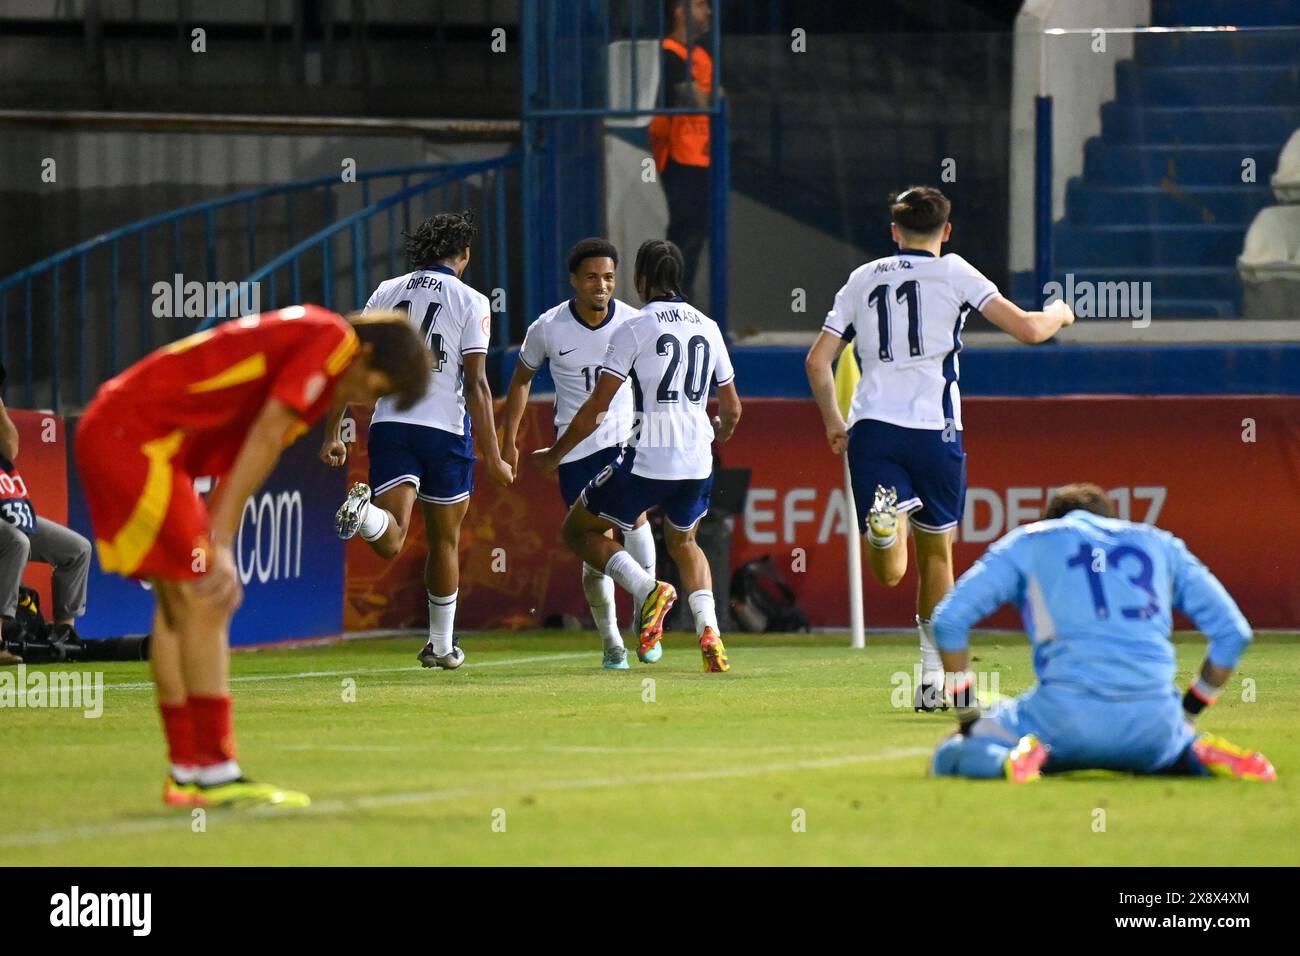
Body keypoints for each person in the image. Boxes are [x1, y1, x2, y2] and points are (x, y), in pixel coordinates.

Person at [76, 305, 430, 808]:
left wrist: (217, 534)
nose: (372, 399)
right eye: (379, 385)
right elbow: (263, 437)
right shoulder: (333, 340)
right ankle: (215, 772)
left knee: (183, 607)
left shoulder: (319, 352)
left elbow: (250, 446)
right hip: (138, 441)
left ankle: (188, 774)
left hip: (134, 437)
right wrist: (219, 541)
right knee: (207, 600)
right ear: (367, 353)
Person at [804, 185, 1075, 711]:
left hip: (873, 429)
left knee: (889, 570)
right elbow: (1028, 330)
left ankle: (885, 533)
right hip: (937, 430)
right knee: (937, 556)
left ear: (893, 232)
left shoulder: (862, 279)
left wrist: (834, 423)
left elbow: (817, 361)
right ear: (946, 231)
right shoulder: (955, 272)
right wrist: (1060, 312)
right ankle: (939, 682)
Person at [929, 483, 1276, 783]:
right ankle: (1192, 752)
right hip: (1154, 727)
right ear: (1109, 517)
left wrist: (968, 716)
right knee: (1171, 745)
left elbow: (948, 621)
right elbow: (1234, 633)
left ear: (1053, 519)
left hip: (1060, 724)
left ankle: (1012, 759)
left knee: (949, 754)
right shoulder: (1162, 545)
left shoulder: (1029, 542)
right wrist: (1188, 711)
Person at [533, 239, 741, 672]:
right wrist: (719, 430)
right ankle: (711, 634)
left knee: (578, 531)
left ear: (640, 280)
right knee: (685, 542)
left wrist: (555, 454)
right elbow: (733, 407)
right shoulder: (708, 325)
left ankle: (648, 588)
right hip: (697, 457)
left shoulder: (633, 328)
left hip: (648, 456)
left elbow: (596, 409)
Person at [326, 211, 514, 671]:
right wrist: (493, 455)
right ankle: (441, 645)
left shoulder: (385, 292)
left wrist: (332, 431)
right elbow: (477, 384)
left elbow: (348, 364)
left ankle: (364, 511)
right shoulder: (471, 300)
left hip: (392, 424)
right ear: (464, 254)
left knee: (390, 536)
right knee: (443, 541)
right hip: (446, 430)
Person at [500, 238, 656, 670]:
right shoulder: (548, 328)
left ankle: (646, 621)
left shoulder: (634, 323)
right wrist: (509, 439)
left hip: (623, 444)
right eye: (591, 277)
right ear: (574, 280)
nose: (601, 286)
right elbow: (520, 381)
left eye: (608, 277)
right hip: (573, 453)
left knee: (637, 520)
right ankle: (612, 642)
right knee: (594, 549)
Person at [0, 379, 92, 666]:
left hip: (7, 506)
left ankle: (64, 633)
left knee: (77, 548)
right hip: (9, 525)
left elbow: (10, 447)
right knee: (16, 541)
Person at [651, 0, 717, 301]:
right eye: (701, 5)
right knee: (684, 228)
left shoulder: (701, 55)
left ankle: (680, 293)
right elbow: (698, 99)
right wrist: (707, 96)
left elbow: (713, 99)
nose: (708, 12)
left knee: (697, 230)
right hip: (679, 154)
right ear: (680, 11)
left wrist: (706, 96)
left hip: (702, 153)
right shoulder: (670, 52)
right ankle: (669, 294)